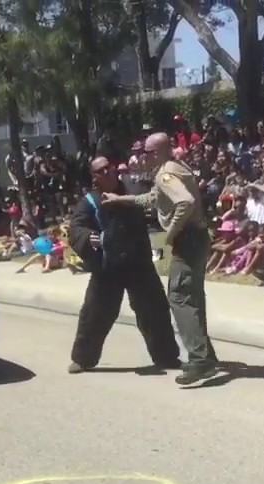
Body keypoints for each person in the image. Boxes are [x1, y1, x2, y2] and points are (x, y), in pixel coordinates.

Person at [103, 132, 217, 385]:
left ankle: (200, 360)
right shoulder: (174, 167)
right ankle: (206, 355)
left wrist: (172, 231)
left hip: (187, 238)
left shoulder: (166, 174)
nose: (142, 156)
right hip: (198, 236)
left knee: (179, 297)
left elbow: (185, 202)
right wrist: (121, 199)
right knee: (192, 297)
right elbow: (153, 198)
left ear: (158, 152)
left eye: (146, 152)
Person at [66, 156, 181, 373]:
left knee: (155, 311)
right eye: (102, 170)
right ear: (95, 177)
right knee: (95, 314)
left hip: (139, 262)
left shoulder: (134, 189)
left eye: (109, 166)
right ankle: (83, 359)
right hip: (108, 267)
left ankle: (167, 357)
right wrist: (87, 236)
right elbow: (75, 228)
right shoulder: (90, 201)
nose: (108, 171)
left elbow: (155, 201)